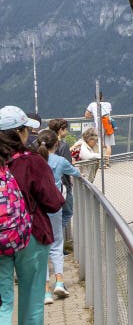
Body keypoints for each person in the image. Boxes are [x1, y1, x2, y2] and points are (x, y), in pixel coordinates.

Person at [0, 105, 64, 325]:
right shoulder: (32, 161)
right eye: (26, 129)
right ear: (19, 132)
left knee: (3, 302)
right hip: (32, 237)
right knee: (31, 297)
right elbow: (53, 203)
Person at [36, 129, 81, 305]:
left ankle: (45, 291)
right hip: (54, 206)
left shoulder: (34, 161)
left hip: (37, 209)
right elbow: (76, 173)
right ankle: (60, 282)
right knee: (56, 243)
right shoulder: (60, 161)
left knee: (42, 248)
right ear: (57, 144)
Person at [47, 119, 74, 248]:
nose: (67, 131)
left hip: (48, 186)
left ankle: (53, 238)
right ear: (60, 130)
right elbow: (67, 167)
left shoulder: (44, 143)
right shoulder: (63, 146)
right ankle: (56, 240)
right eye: (65, 129)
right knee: (67, 212)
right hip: (63, 186)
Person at [85, 92, 113, 158]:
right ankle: (107, 162)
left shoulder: (92, 104)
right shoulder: (108, 104)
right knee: (108, 144)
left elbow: (86, 115)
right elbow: (109, 113)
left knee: (99, 143)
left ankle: (101, 160)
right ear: (102, 97)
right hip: (108, 125)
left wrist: (94, 115)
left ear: (95, 98)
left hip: (99, 126)